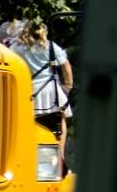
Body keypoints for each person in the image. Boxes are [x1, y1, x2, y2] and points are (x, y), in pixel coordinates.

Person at [9, 19, 74, 170]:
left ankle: (36, 164)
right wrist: (68, 86)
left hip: (31, 91)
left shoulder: (17, 48)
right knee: (59, 124)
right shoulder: (50, 46)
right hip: (51, 90)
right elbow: (66, 65)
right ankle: (59, 160)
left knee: (34, 128)